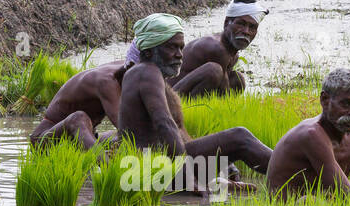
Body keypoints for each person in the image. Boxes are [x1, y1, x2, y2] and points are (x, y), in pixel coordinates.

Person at [117, 13, 272, 188]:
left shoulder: (153, 77)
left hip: (157, 166)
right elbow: (164, 124)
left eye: (181, 48)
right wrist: (189, 178)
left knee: (234, 140)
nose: (179, 55)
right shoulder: (146, 72)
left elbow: (176, 132)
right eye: (172, 48)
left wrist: (217, 160)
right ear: (148, 51)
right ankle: (297, 170)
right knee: (240, 137)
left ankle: (296, 171)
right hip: (151, 169)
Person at [265, 67, 350, 205]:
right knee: (309, 202)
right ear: (325, 100)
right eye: (346, 104)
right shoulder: (311, 135)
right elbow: (344, 195)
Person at [172, 0, 266, 98]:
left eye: (252, 27)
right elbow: (223, 93)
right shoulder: (216, 48)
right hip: (172, 98)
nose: (246, 31)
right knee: (214, 70)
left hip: (184, 93)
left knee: (237, 79)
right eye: (241, 24)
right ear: (226, 23)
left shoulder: (232, 53)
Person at [28, 60, 127, 148]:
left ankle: (99, 155)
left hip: (83, 139)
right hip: (43, 139)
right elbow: (124, 127)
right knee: (78, 118)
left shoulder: (126, 70)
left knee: (119, 135)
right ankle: (106, 164)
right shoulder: (106, 81)